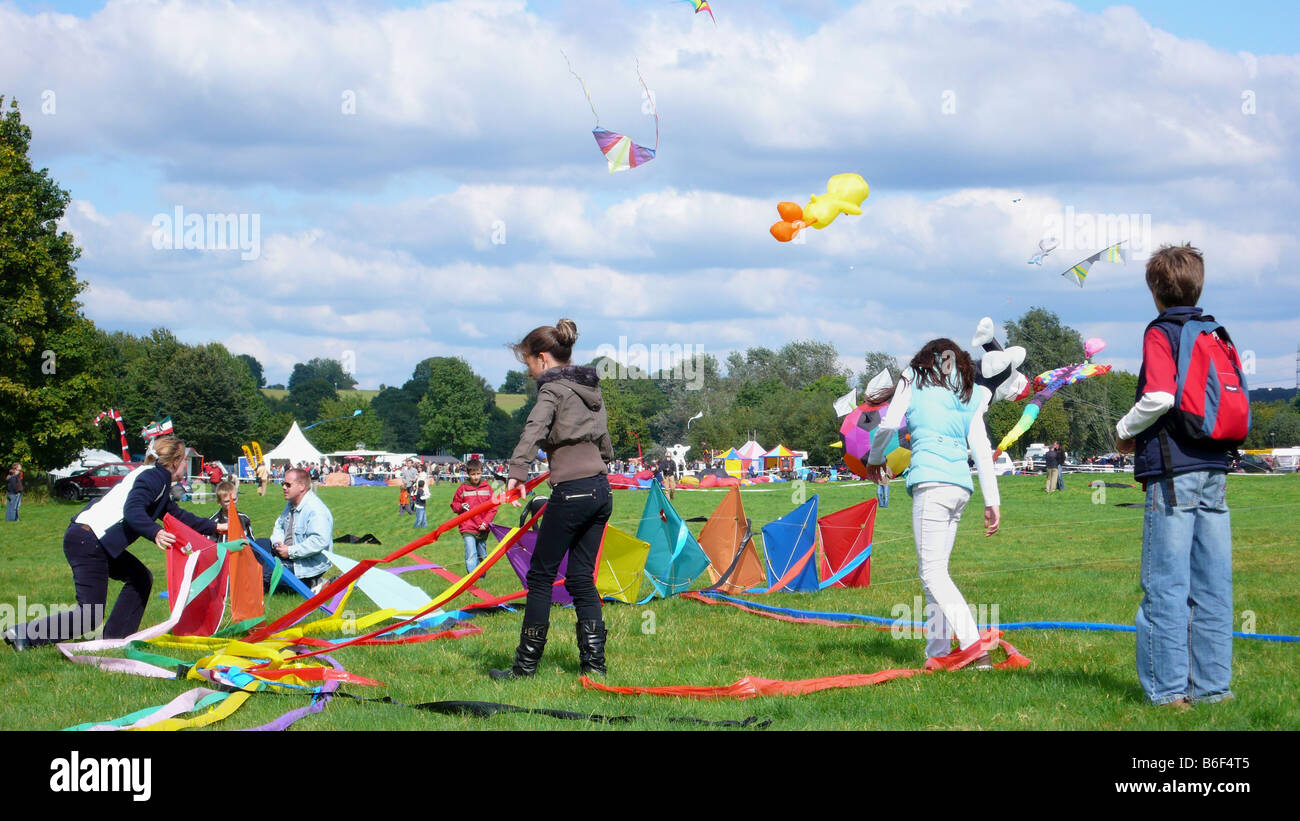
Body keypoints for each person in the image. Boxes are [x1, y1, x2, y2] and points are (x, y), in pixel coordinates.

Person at [1116, 244, 1242, 708]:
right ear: (1198, 285)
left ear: (1155, 292)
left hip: (1173, 471)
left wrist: (1122, 431)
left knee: (1166, 584)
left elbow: (1160, 397)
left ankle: (1168, 692)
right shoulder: (1214, 332)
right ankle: (1213, 689)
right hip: (1214, 465)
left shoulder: (1160, 331)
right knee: (1212, 583)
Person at [4, 437, 224, 651]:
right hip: (88, 541)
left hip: (91, 540)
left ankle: (114, 642)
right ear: (175, 462)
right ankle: (23, 634)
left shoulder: (156, 479)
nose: (186, 464)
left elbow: (177, 516)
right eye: (185, 460)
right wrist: (155, 531)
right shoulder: (154, 478)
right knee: (89, 616)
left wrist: (215, 527)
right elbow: (133, 510)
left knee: (140, 578)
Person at [864, 339, 1001, 670]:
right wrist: (992, 500)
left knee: (933, 572)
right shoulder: (968, 391)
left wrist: (874, 459)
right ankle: (937, 652)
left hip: (932, 484)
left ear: (925, 360)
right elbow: (981, 448)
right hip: (960, 488)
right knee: (934, 574)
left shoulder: (914, 376)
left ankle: (973, 648)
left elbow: (888, 422)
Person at [491, 319, 614, 680]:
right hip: (600, 491)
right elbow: (604, 440)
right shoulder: (591, 391)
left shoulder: (552, 390)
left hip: (572, 491)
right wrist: (598, 465)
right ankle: (595, 666)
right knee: (580, 578)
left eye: (528, 363)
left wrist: (517, 473)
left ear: (542, 358)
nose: (529, 372)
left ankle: (524, 667)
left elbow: (534, 430)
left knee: (541, 576)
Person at [259, 468, 333, 594]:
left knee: (266, 575)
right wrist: (277, 543)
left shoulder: (315, 510)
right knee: (259, 545)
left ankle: (312, 583)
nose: (283, 487)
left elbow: (320, 541)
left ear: (302, 486)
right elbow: (279, 526)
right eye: (283, 483)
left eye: (288, 484)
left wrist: (290, 551)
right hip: (286, 554)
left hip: (306, 564)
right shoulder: (291, 503)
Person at [453, 459, 495, 574]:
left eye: (478, 473)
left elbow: (493, 508)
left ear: (482, 472)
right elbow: (454, 505)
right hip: (468, 526)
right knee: (471, 553)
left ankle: (481, 577)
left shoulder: (487, 488)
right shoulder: (462, 488)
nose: (476, 477)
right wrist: (461, 506)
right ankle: (471, 580)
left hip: (482, 527)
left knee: (482, 554)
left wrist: (485, 523)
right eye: (473, 474)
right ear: (468, 474)